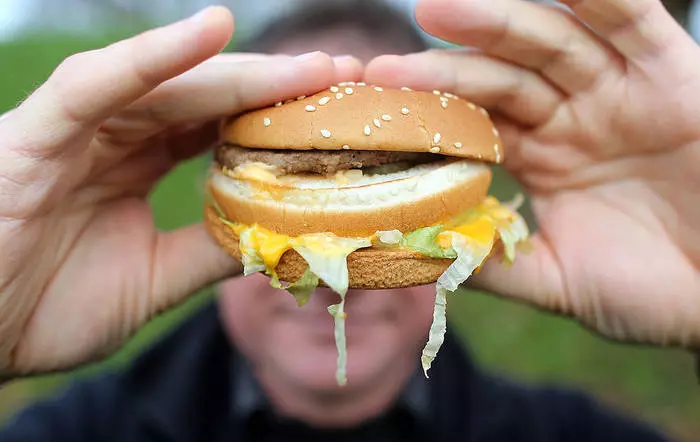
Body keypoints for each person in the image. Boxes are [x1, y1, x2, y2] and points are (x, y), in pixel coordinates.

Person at [0, 0, 698, 440]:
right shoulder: (78, 428)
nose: (342, 283)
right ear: (216, 190)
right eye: (303, 224)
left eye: (391, 193)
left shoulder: (561, 432)